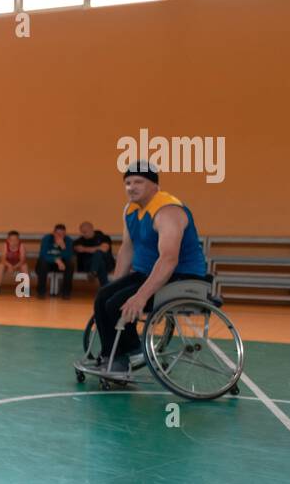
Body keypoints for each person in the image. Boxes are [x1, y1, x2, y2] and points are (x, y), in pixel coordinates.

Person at [84, 160, 208, 374]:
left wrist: (140, 297)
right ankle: (112, 355)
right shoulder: (131, 210)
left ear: (154, 186)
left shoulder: (168, 211)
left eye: (138, 182)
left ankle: (130, 352)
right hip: (150, 273)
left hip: (181, 277)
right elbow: (127, 249)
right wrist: (116, 284)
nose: (131, 187)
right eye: (128, 182)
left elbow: (169, 259)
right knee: (105, 296)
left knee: (117, 303)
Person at [35, 224, 74, 299]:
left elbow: (69, 256)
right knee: (42, 262)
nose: (60, 236)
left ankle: (66, 293)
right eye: (58, 234)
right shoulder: (47, 239)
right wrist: (56, 260)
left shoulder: (68, 240)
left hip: (61, 265)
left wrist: (63, 247)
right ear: (53, 233)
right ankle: (41, 292)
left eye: (62, 234)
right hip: (48, 264)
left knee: (70, 264)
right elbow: (43, 254)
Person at [0, 230, 28, 294]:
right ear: (8, 240)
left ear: (19, 240)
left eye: (16, 240)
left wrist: (14, 267)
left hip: (18, 264)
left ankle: (26, 288)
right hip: (8, 263)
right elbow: (2, 259)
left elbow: (23, 260)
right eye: (12, 240)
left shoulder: (21, 246)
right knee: (1, 266)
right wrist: (9, 266)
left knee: (24, 266)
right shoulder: (5, 245)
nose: (14, 242)